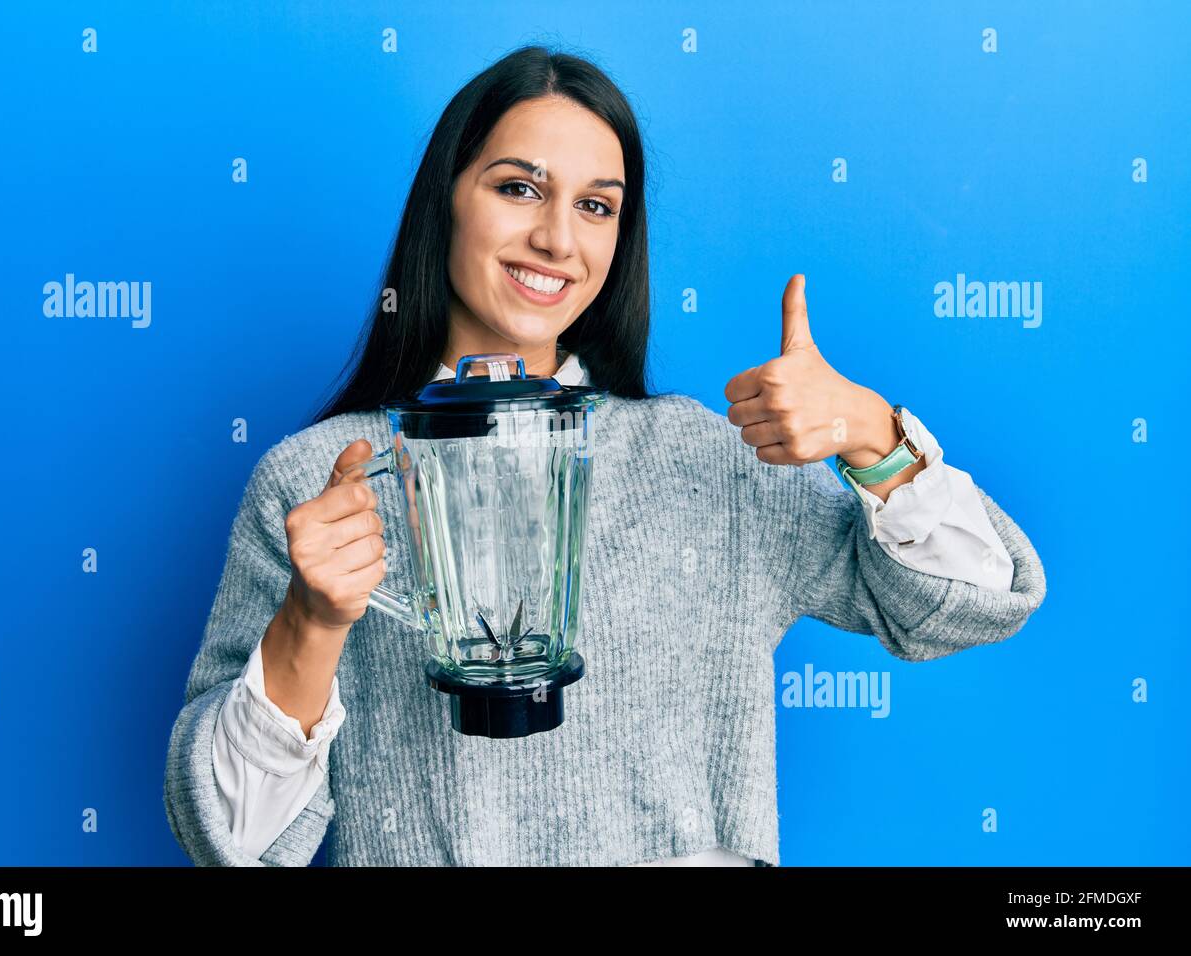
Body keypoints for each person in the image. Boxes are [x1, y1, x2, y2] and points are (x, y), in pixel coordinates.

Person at [164, 45, 1046, 867]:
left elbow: (977, 601)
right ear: (446, 199)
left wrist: (871, 433)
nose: (558, 239)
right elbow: (231, 838)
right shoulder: (314, 484)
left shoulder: (704, 460)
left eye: (596, 205)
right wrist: (310, 627)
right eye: (518, 189)